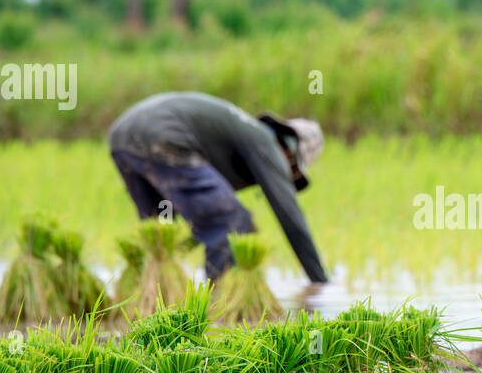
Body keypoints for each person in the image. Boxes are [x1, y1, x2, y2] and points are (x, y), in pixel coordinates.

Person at [108, 92, 327, 284]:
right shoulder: (267, 143)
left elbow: (198, 213)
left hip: (123, 138)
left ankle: (147, 296)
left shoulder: (243, 134)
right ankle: (221, 304)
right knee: (232, 221)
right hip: (163, 134)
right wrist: (320, 282)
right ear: (290, 152)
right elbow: (291, 219)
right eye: (291, 170)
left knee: (161, 233)